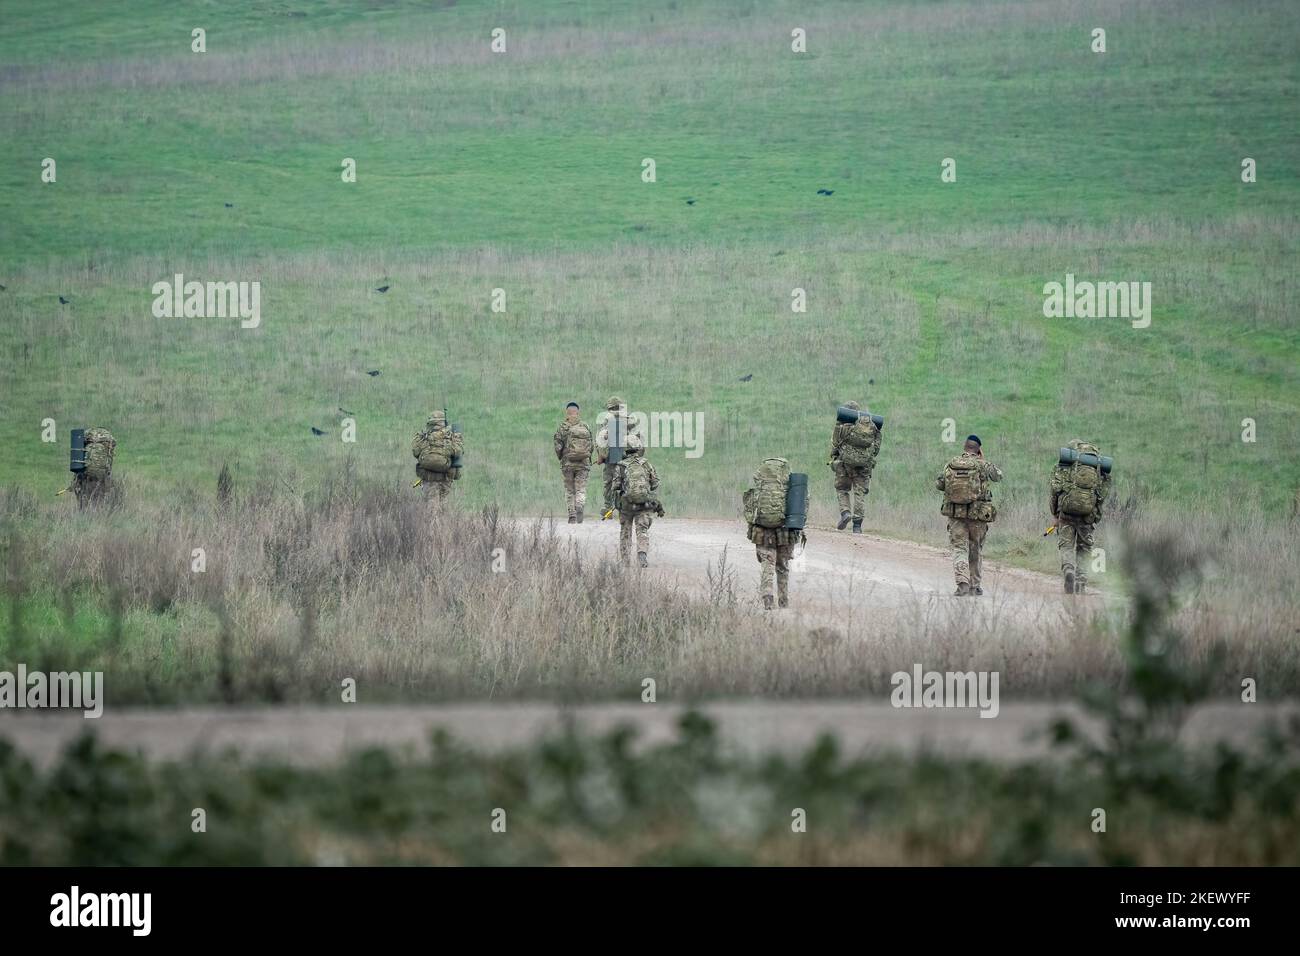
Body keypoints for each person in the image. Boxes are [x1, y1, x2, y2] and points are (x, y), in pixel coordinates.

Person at [935, 435, 1003, 596]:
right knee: (975, 549)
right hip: (978, 515)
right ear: (978, 449)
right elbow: (999, 476)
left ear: (964, 447)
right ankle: (974, 585)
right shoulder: (983, 464)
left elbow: (939, 484)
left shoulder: (951, 463)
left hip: (956, 515)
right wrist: (983, 460)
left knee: (959, 549)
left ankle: (962, 583)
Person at [1049, 439, 1112, 595]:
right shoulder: (1099, 471)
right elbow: (1101, 497)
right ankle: (1081, 581)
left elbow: (1054, 491)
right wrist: (1095, 514)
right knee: (1084, 548)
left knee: (1066, 546)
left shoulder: (1065, 468)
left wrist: (1055, 513)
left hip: (1066, 514)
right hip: (1087, 516)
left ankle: (1069, 570)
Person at [744, 457, 805, 610]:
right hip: (785, 531)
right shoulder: (791, 487)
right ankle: (783, 601)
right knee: (783, 566)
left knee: (767, 563)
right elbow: (802, 509)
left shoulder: (759, 489)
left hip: (763, 530)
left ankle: (767, 597)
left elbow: (749, 512)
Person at [829, 400, 880, 533]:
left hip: (844, 464)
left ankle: (845, 512)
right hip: (863, 466)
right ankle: (857, 526)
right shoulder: (870, 426)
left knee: (842, 489)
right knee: (860, 493)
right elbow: (876, 446)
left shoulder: (841, 426)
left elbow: (834, 445)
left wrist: (834, 456)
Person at [612, 433, 661, 568]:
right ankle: (642, 554)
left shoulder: (621, 465)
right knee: (642, 530)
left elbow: (615, 486)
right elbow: (655, 483)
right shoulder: (646, 464)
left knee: (625, 531)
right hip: (644, 504)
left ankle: (625, 560)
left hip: (627, 505)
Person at [595, 395, 641, 518]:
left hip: (611, 456)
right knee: (627, 481)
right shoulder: (630, 418)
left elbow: (600, 438)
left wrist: (600, 456)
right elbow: (638, 437)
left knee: (608, 482)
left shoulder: (605, 418)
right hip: (627, 455)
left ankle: (608, 508)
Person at [553, 402, 592, 523]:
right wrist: (588, 458)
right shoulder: (585, 426)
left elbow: (558, 446)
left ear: (567, 412)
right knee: (581, 488)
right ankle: (580, 505)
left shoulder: (563, 427)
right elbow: (591, 446)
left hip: (567, 464)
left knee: (569, 490)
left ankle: (572, 515)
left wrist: (561, 457)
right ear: (578, 412)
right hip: (583, 463)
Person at [411, 410, 463, 500]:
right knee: (443, 505)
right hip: (446, 479)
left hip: (428, 478)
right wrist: (457, 437)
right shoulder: (450, 437)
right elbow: (458, 452)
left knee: (430, 506)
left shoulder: (424, 437)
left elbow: (415, 452)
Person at [72, 426, 116, 509]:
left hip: (85, 474)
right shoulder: (108, 440)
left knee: (84, 497)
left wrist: (75, 481)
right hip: (101, 475)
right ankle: (99, 513)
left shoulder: (85, 439)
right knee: (100, 497)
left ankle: (84, 513)